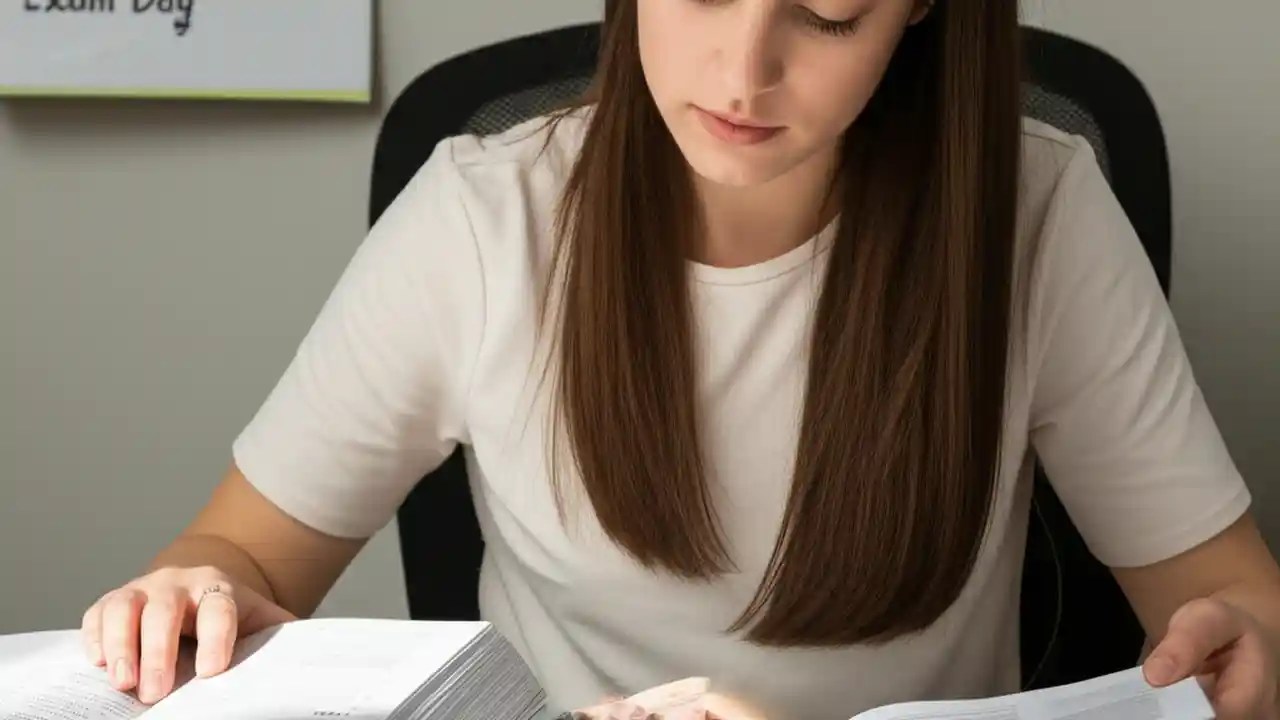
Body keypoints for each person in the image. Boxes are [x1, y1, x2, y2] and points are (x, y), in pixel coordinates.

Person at [78, 1, 1280, 718]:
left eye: (824, 14)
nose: (741, 74)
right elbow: (237, 554)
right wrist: (203, 590)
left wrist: (1238, 652)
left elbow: (1229, 612)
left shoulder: (1035, 213)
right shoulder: (482, 220)